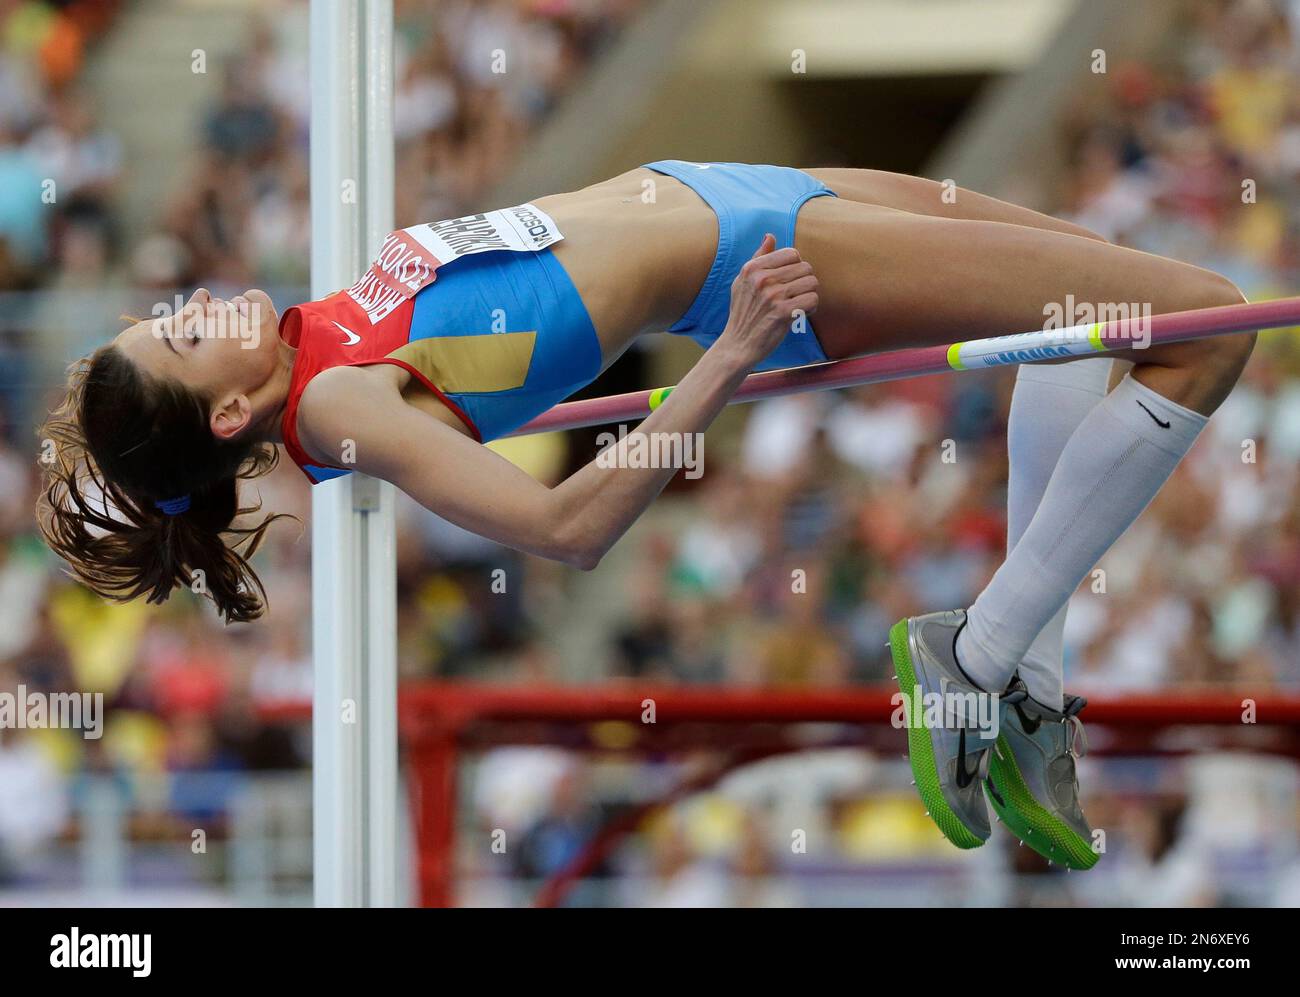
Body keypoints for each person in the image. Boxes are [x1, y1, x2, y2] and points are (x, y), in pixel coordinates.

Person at [37, 161, 1256, 867]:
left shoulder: (316, 339)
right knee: (1205, 326)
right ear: (228, 412)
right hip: (752, 249)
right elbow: (565, 528)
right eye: (186, 335)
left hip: (735, 185)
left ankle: (1023, 681)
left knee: (1078, 315)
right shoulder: (343, 406)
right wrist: (725, 361)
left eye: (171, 308)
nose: (196, 300)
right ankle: (980, 656)